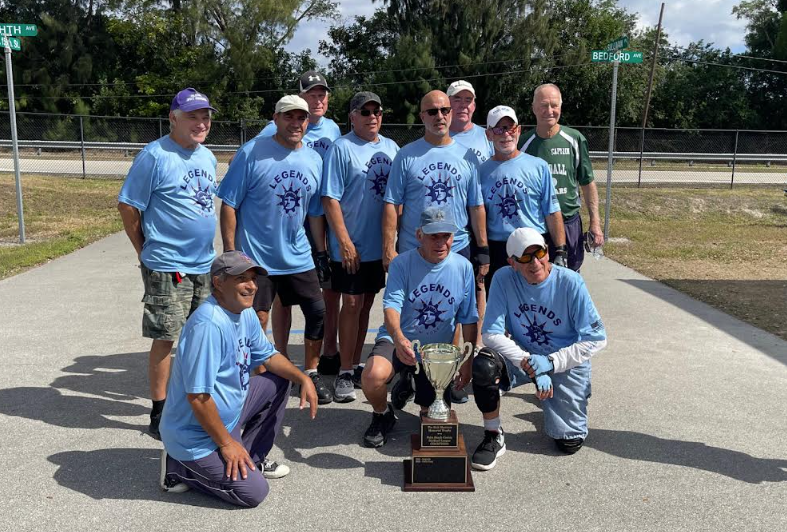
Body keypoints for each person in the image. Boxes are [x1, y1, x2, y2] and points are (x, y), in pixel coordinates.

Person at [159, 251, 319, 507]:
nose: (252, 286)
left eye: (253, 278)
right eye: (241, 279)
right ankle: (178, 467)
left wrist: (303, 378)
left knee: (279, 380)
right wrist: (226, 444)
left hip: (228, 415)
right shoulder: (208, 326)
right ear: (218, 282)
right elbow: (198, 398)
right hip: (195, 435)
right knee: (254, 493)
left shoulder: (244, 312)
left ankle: (252, 459)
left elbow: (268, 357)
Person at [217, 95, 333, 405]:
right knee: (257, 319)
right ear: (276, 118)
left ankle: (311, 372)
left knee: (317, 312)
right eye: (288, 117)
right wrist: (232, 256)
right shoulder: (252, 152)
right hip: (257, 257)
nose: (296, 123)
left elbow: (314, 212)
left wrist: (321, 253)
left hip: (297, 255)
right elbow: (229, 204)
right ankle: (257, 379)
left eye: (301, 118)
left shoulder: (314, 159)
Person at [117, 87, 218, 440]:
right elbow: (128, 205)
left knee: (200, 336)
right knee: (166, 337)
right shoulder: (155, 155)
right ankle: (159, 413)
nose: (201, 123)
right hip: (167, 264)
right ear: (173, 118)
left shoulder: (207, 156)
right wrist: (143, 250)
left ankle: (193, 402)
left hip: (203, 264)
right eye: (193, 116)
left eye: (205, 116)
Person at [382, 89, 488, 405]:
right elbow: (392, 203)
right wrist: (388, 247)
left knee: (450, 314)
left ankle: (446, 374)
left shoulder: (468, 157)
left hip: (457, 246)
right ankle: (408, 368)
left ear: (451, 113)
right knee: (415, 312)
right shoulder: (407, 155)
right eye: (432, 111)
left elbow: (476, 205)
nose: (439, 116)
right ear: (422, 116)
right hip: (414, 248)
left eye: (444, 110)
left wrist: (482, 248)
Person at [469, 227, 607, 470]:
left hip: (563, 360)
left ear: (547, 252)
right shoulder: (503, 278)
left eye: (539, 253)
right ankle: (493, 435)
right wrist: (529, 362)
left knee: (569, 443)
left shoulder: (571, 282)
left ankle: (560, 402)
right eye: (525, 257)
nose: (535, 263)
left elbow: (596, 338)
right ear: (512, 263)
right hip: (524, 356)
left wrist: (551, 363)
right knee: (484, 365)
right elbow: (490, 333)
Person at [360, 207, 478, 447]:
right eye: (434, 236)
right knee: (372, 377)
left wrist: (467, 363)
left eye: (446, 236)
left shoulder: (464, 267)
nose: (441, 243)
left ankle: (411, 382)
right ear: (419, 235)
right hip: (399, 339)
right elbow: (391, 307)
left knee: (433, 422)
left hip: (436, 354)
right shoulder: (401, 264)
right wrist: (398, 337)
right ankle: (382, 414)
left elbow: (468, 318)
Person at [257, 71, 343, 375]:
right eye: (312, 94)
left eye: (322, 94)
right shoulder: (275, 127)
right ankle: (280, 355)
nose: (318, 100)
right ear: (301, 97)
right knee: (283, 296)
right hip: (287, 217)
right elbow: (256, 158)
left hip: (319, 214)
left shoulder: (332, 129)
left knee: (325, 291)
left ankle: (328, 352)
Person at [321, 91, 400, 402]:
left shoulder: (392, 148)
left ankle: (354, 364)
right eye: (364, 112)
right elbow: (330, 198)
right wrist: (343, 241)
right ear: (352, 116)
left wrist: (391, 242)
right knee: (351, 304)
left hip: (377, 245)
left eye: (376, 111)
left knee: (366, 303)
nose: (372, 117)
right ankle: (343, 370)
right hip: (351, 244)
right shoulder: (341, 148)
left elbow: (397, 197)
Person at [480, 105, 565, 289]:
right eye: (499, 129)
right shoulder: (480, 172)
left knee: (537, 299)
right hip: (499, 248)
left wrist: (560, 250)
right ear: (489, 135)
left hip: (534, 247)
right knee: (502, 301)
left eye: (510, 128)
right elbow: (479, 216)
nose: (506, 134)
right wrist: (483, 250)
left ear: (518, 130)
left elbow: (552, 211)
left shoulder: (538, 166)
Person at [521, 83, 604, 271]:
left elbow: (587, 183)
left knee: (570, 275)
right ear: (534, 108)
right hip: (535, 225)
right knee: (535, 276)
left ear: (560, 106)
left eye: (554, 105)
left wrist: (595, 223)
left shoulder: (575, 139)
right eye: (543, 105)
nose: (549, 111)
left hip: (568, 223)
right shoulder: (523, 143)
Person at [447, 80, 494, 164]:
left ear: (474, 106)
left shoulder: (488, 136)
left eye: (468, 100)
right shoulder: (436, 138)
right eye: (457, 100)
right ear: (447, 104)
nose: (463, 105)